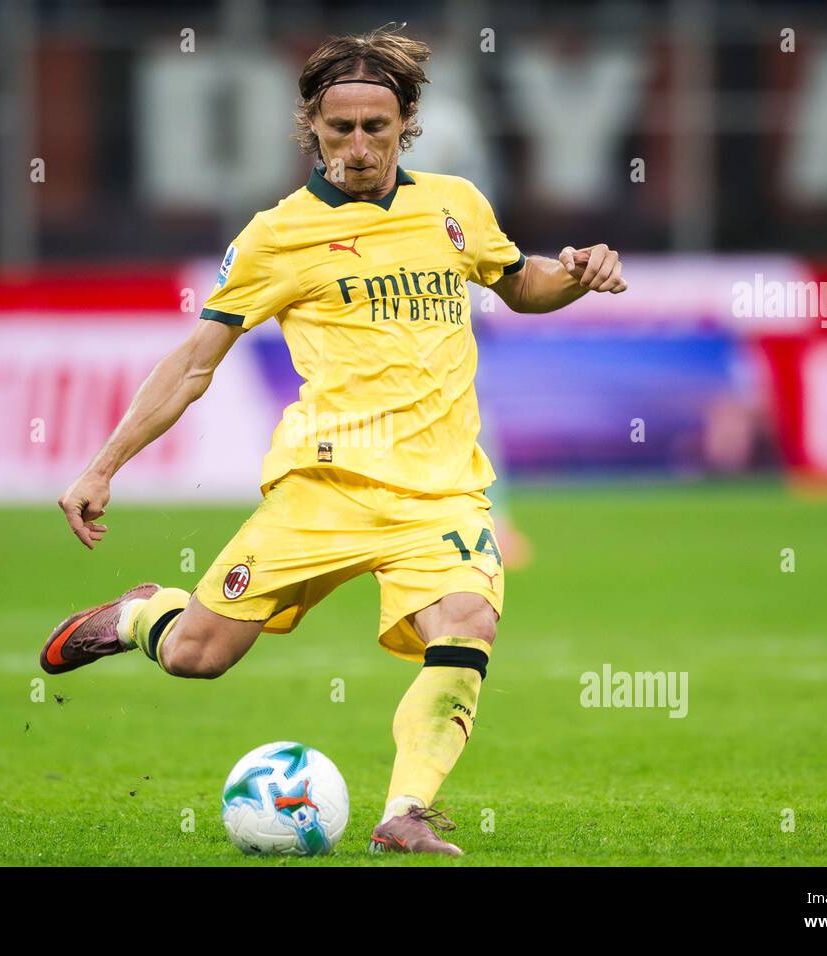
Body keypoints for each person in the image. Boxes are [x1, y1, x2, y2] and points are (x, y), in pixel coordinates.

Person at [41, 24, 626, 855]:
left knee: (466, 628)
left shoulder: (455, 206)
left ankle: (406, 811)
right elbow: (194, 364)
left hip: (441, 490)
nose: (356, 146)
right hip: (324, 486)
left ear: (408, 121)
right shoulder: (276, 235)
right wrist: (103, 466)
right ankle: (143, 616)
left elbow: (521, 284)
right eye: (339, 128)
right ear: (311, 125)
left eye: (375, 128)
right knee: (200, 656)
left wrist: (575, 272)